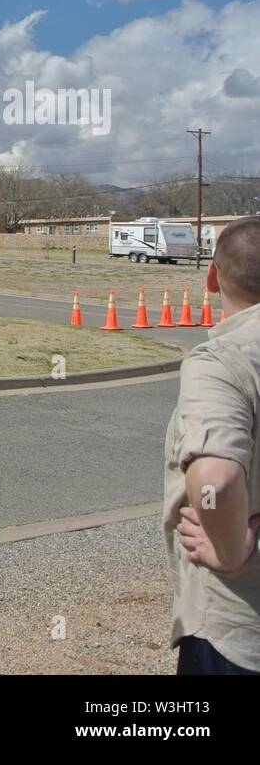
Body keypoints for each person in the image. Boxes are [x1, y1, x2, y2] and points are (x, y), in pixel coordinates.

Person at [166, 214, 260, 674]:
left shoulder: (222, 363)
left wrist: (229, 550)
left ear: (211, 277)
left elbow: (215, 482)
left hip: (238, 629)